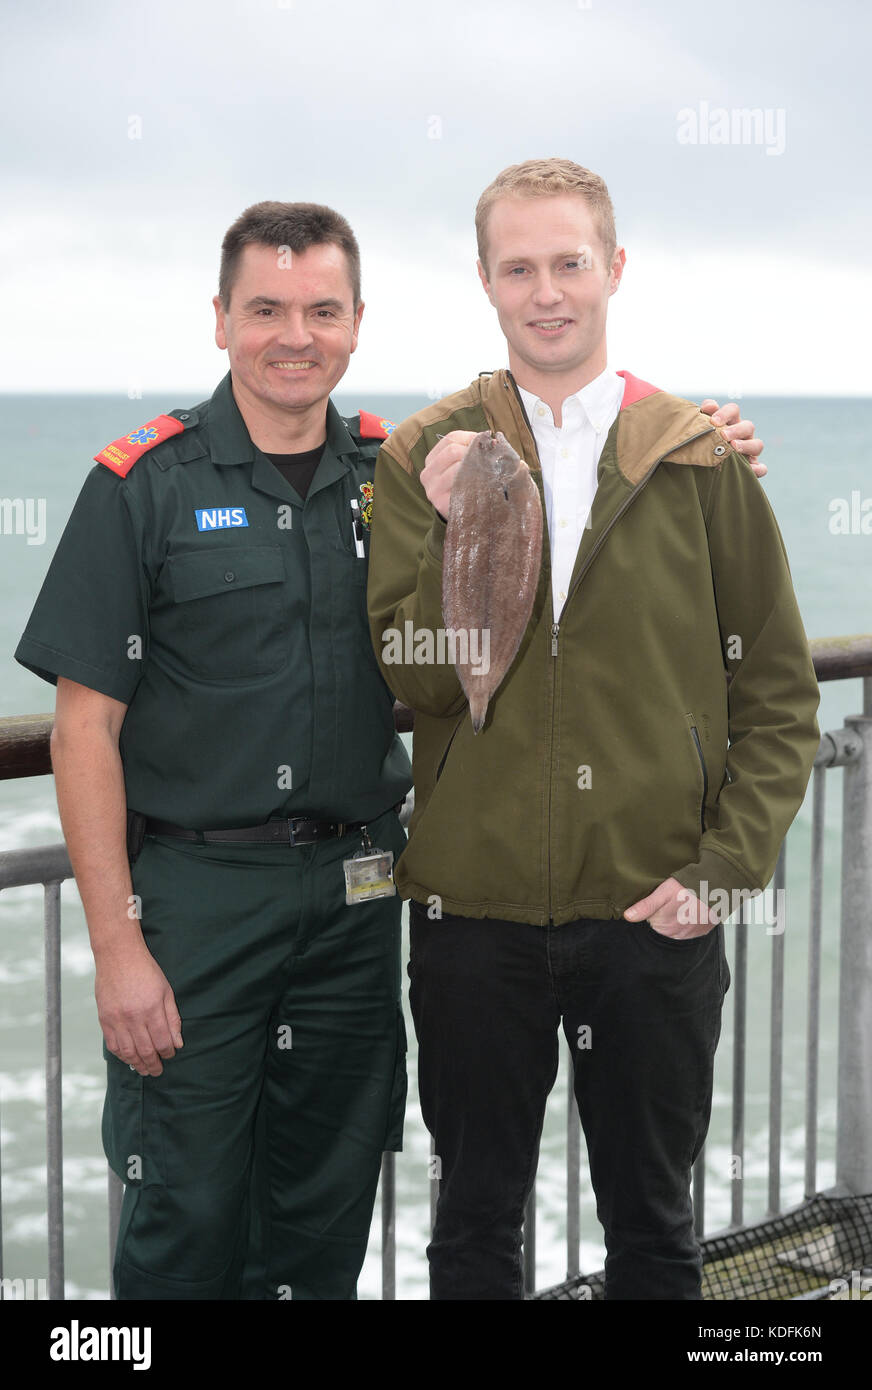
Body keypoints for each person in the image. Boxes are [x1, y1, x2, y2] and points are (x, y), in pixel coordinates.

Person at [366, 158, 820, 1301]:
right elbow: (411, 677)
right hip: (472, 915)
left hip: (649, 915)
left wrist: (724, 869)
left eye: (569, 261)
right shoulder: (421, 452)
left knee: (655, 1233)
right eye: (518, 267)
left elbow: (775, 692)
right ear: (484, 281)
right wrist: (445, 521)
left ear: (613, 267)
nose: (546, 290)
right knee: (472, 1230)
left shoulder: (698, 455)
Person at [15, 202, 412, 1300]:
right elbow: (82, 727)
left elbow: (539, 505)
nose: (296, 334)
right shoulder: (144, 483)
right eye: (267, 309)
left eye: (321, 310)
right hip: (197, 899)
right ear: (221, 320)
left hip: (358, 893)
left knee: (324, 1207)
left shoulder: (402, 478)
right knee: (183, 1210)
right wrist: (119, 949)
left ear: (355, 321)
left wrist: (699, 440)